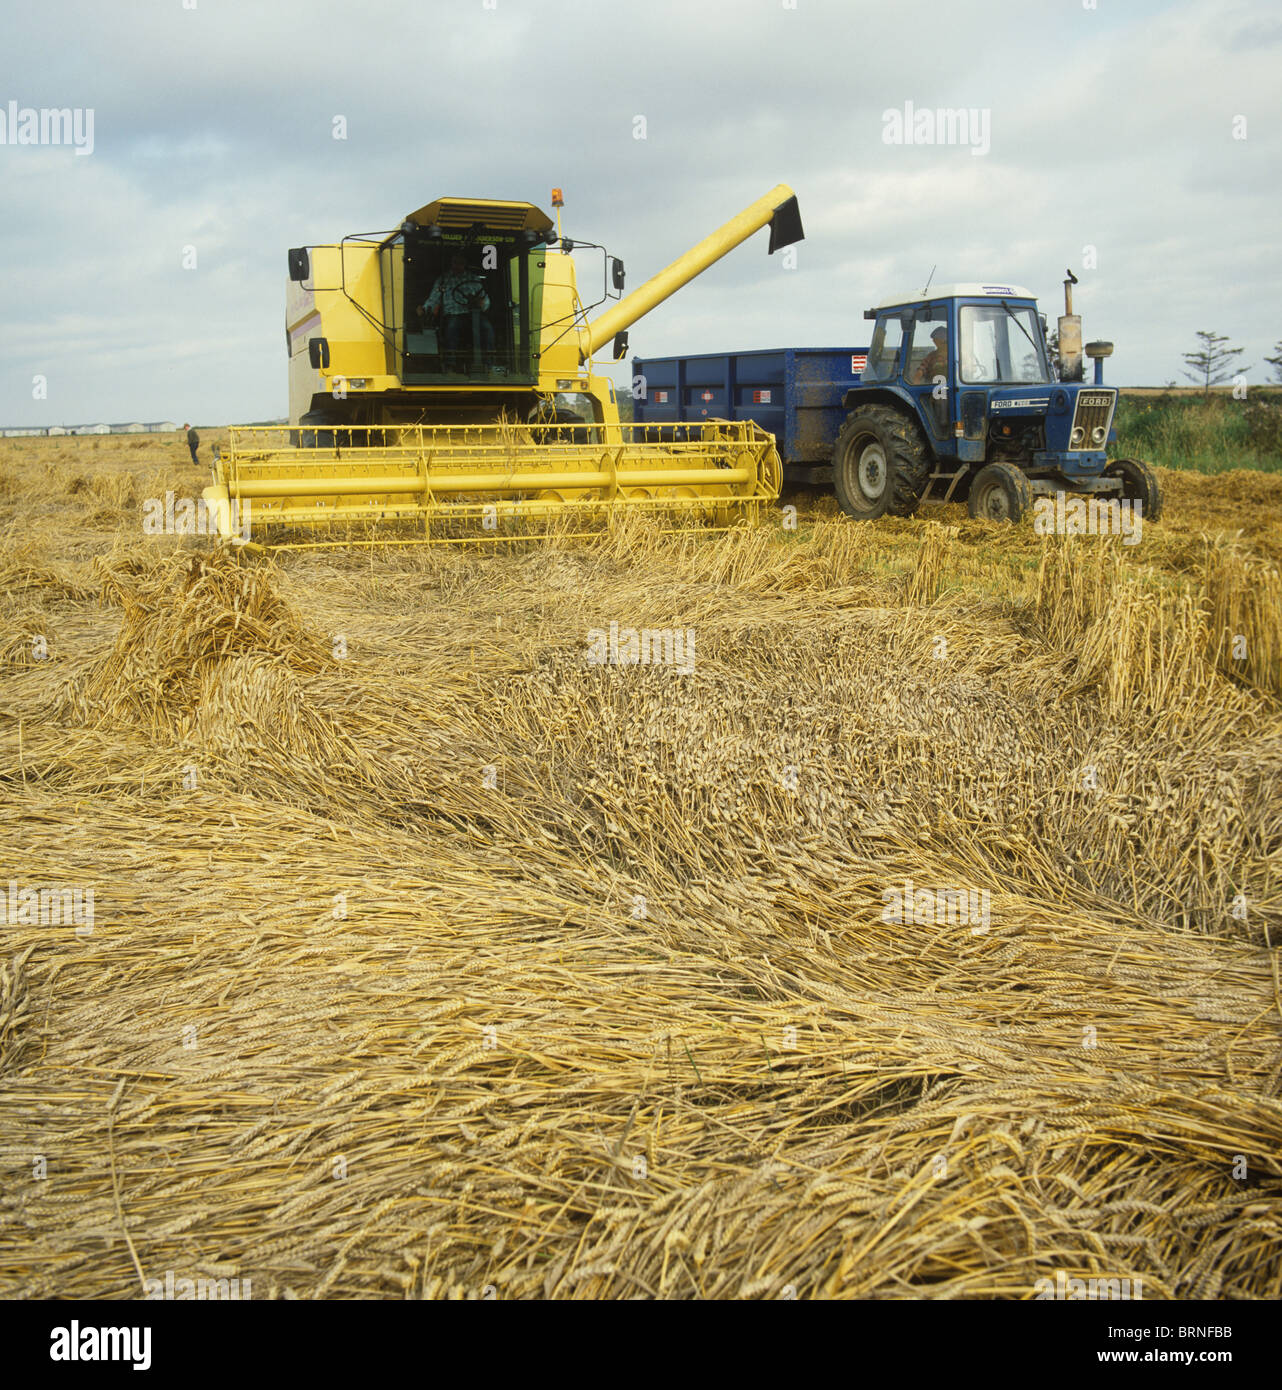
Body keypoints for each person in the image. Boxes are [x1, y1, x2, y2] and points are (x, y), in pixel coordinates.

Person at [419, 252, 496, 363]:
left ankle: (489, 364)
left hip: (472, 314)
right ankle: (450, 364)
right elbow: (434, 298)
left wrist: (482, 304)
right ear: (451, 263)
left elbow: (484, 298)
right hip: (453, 315)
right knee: (451, 327)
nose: (457, 266)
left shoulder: (473, 278)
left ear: (465, 264)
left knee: (487, 328)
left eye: (461, 263)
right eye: (455, 263)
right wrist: (424, 309)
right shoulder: (443, 280)